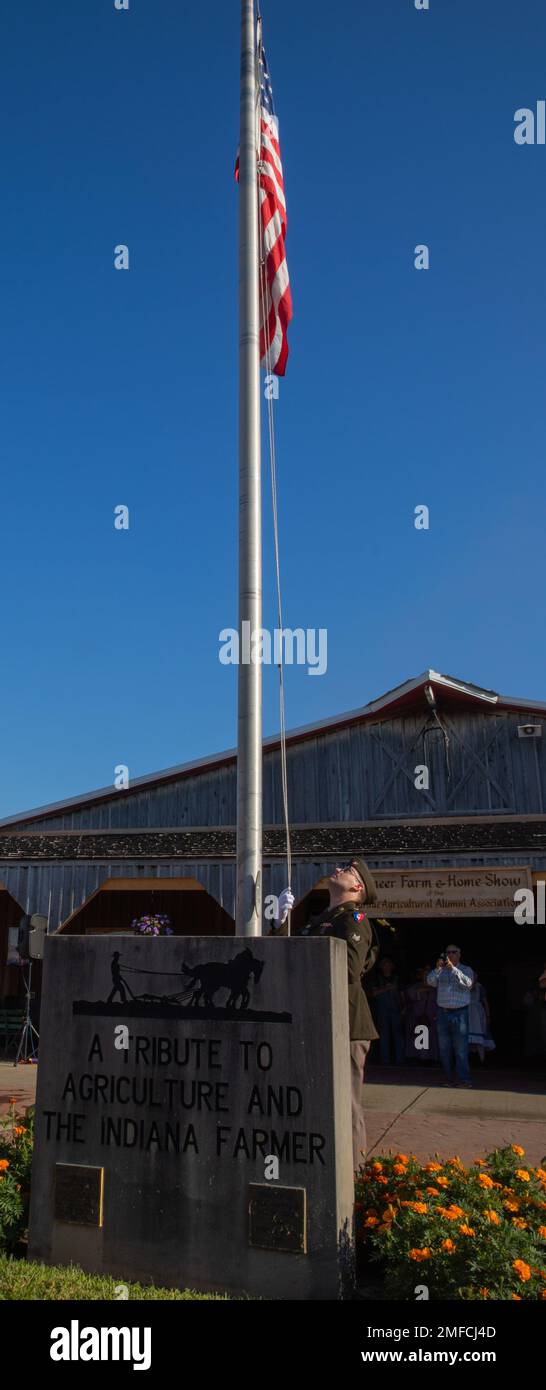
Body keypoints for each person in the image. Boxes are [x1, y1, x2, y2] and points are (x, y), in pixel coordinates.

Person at [272, 858, 379, 1170]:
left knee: (346, 1106)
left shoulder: (354, 919)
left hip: (345, 1024)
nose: (338, 870)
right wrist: (281, 922)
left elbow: (347, 967)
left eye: (347, 870)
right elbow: (282, 959)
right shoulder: (318, 921)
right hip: (316, 1022)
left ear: (358, 887)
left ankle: (353, 1178)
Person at [427, 945, 474, 1087]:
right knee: (444, 1049)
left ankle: (464, 1080)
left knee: (460, 1049)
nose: (450, 955)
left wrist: (453, 969)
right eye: (448, 952)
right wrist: (438, 968)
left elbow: (469, 984)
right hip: (443, 1013)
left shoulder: (466, 969)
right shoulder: (440, 971)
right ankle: (448, 1079)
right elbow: (430, 981)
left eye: (454, 952)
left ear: (459, 954)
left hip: (460, 1013)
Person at [370, 957, 405, 1065]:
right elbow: (374, 993)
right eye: (384, 964)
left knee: (398, 1034)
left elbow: (402, 994)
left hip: (396, 1008)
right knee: (384, 1035)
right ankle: (385, 1060)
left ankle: (400, 1059)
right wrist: (387, 988)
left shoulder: (397, 978)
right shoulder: (377, 978)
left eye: (388, 963)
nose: (386, 966)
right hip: (382, 1010)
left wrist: (404, 1007)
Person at [403, 965, 439, 1062]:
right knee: (418, 1037)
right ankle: (416, 1058)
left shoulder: (436, 989)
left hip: (431, 1017)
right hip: (417, 1016)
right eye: (425, 974)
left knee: (430, 1038)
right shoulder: (414, 987)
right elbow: (410, 997)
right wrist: (421, 991)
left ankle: (429, 1059)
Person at [468, 971, 496, 1062]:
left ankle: (482, 1060)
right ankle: (466, 1061)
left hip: (478, 1013)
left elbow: (485, 1002)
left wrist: (488, 1015)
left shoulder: (480, 987)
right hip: (467, 1013)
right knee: (466, 1038)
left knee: (479, 1037)